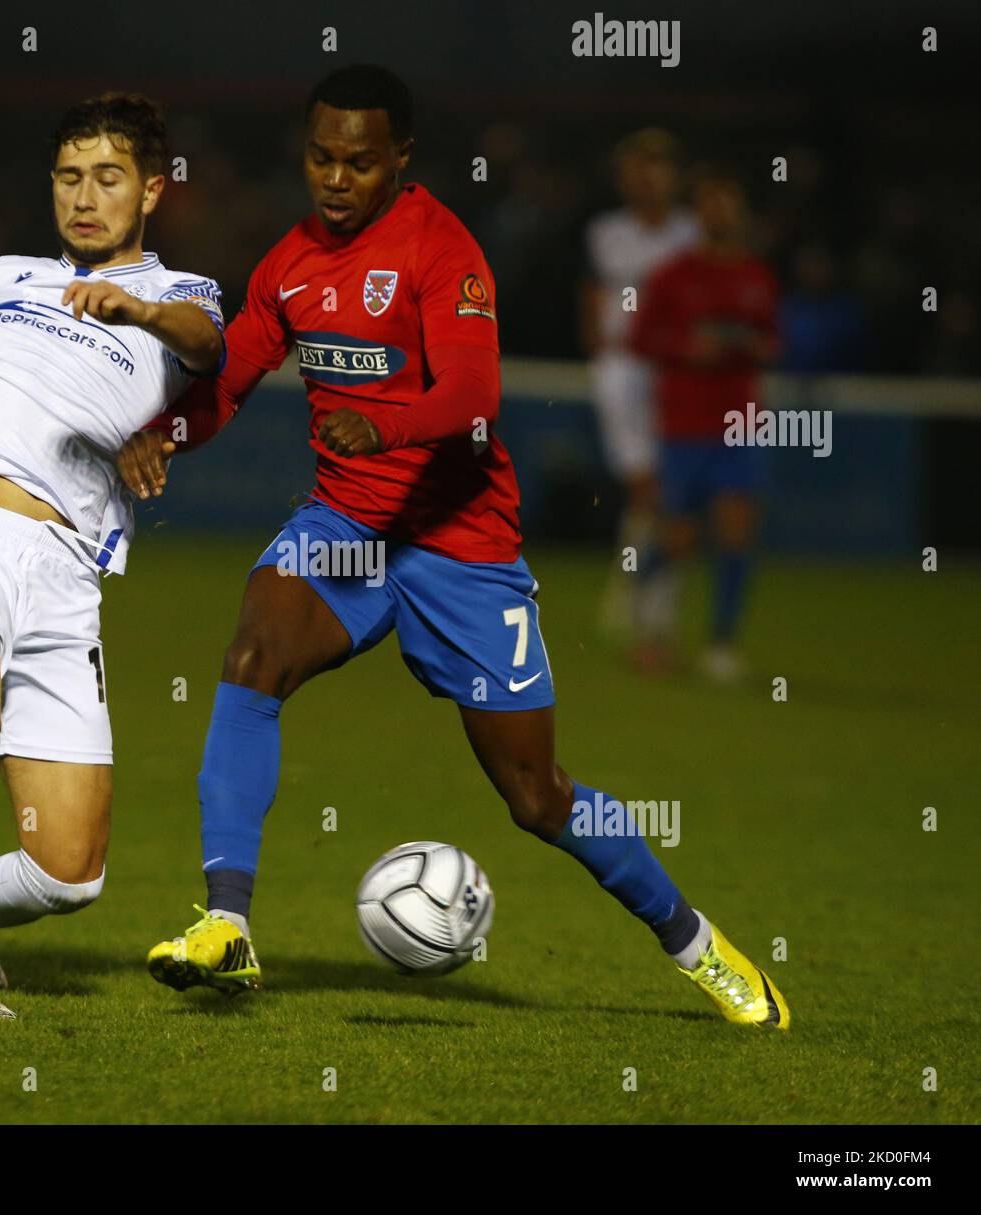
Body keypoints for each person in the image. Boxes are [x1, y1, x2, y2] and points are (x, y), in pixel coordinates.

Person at [118, 66, 789, 1029]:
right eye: (320, 156)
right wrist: (166, 434)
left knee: (536, 793)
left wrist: (383, 432)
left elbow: (473, 395)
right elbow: (227, 381)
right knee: (252, 657)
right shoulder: (288, 265)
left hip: (459, 547)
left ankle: (696, 943)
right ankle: (226, 925)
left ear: (401, 160)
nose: (336, 178)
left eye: (359, 161)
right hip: (346, 529)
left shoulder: (444, 252)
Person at [0, 92, 224, 1017]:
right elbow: (44, 389)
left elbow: (207, 346)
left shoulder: (185, 298)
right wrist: (123, 428)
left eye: (109, 178)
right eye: (69, 177)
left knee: (68, 872)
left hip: (67, 579)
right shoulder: (7, 277)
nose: (84, 196)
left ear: (153, 190)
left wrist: (140, 313)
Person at [629, 166, 780, 680]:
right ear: (699, 214)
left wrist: (755, 346)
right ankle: (644, 617)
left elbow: (774, 339)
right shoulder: (674, 275)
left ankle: (721, 645)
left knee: (737, 532)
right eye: (710, 203)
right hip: (685, 423)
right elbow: (640, 337)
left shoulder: (755, 275)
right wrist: (687, 348)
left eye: (728, 204)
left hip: (739, 423)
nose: (720, 213)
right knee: (677, 538)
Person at [579, 129, 698, 640]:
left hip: (677, 370)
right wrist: (600, 349)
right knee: (647, 487)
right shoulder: (606, 231)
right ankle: (643, 592)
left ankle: (639, 592)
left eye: (657, 167)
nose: (648, 179)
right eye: (638, 168)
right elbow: (590, 297)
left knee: (666, 491)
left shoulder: (691, 233)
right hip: (625, 370)